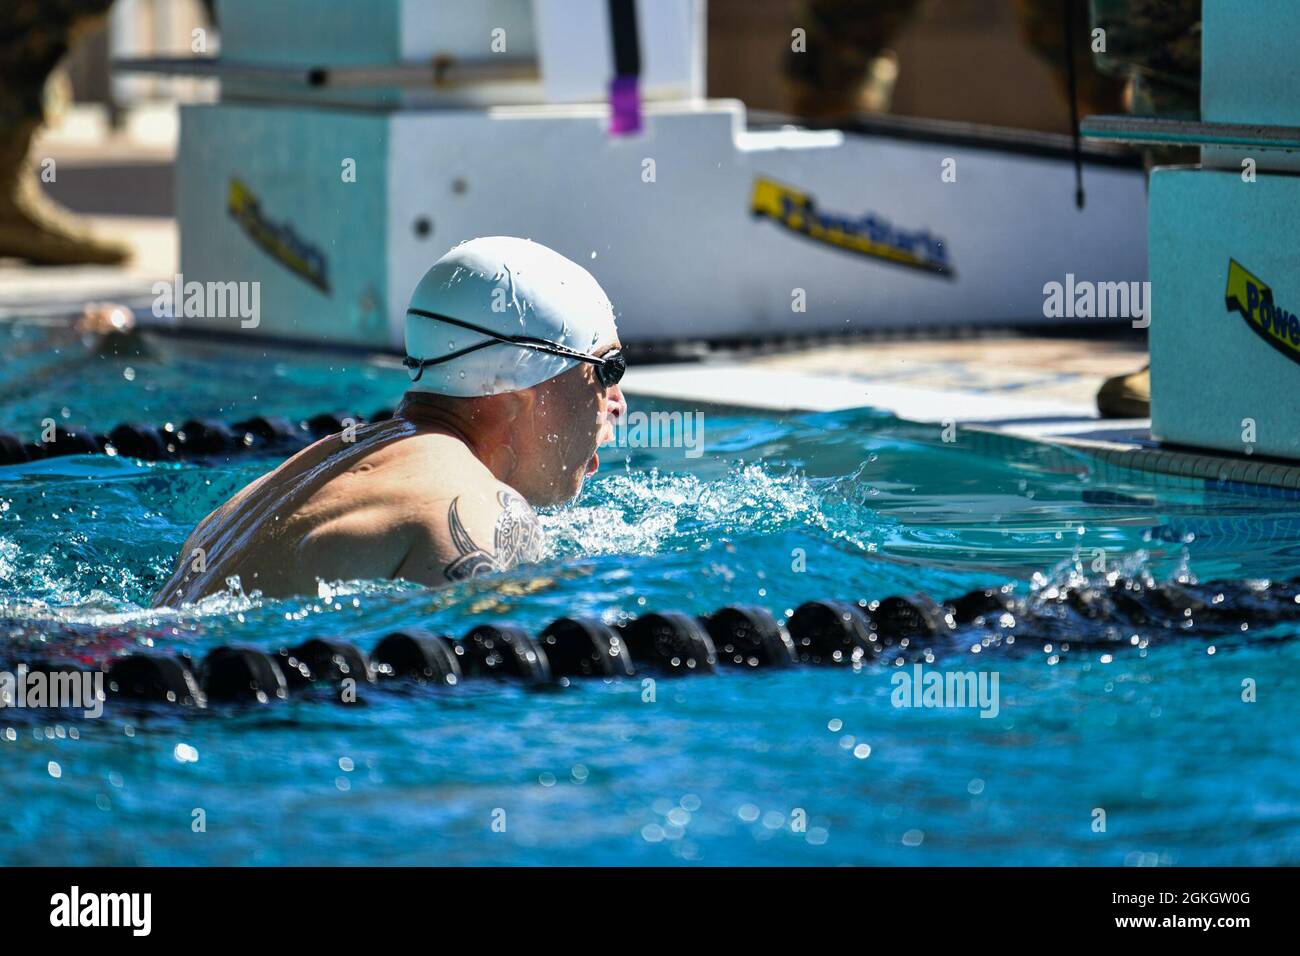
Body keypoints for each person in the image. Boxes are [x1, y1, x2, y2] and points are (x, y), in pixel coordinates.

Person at [152, 237, 627, 606]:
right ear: (520, 394)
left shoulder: (295, 475)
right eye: (607, 370)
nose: (617, 402)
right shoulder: (481, 511)